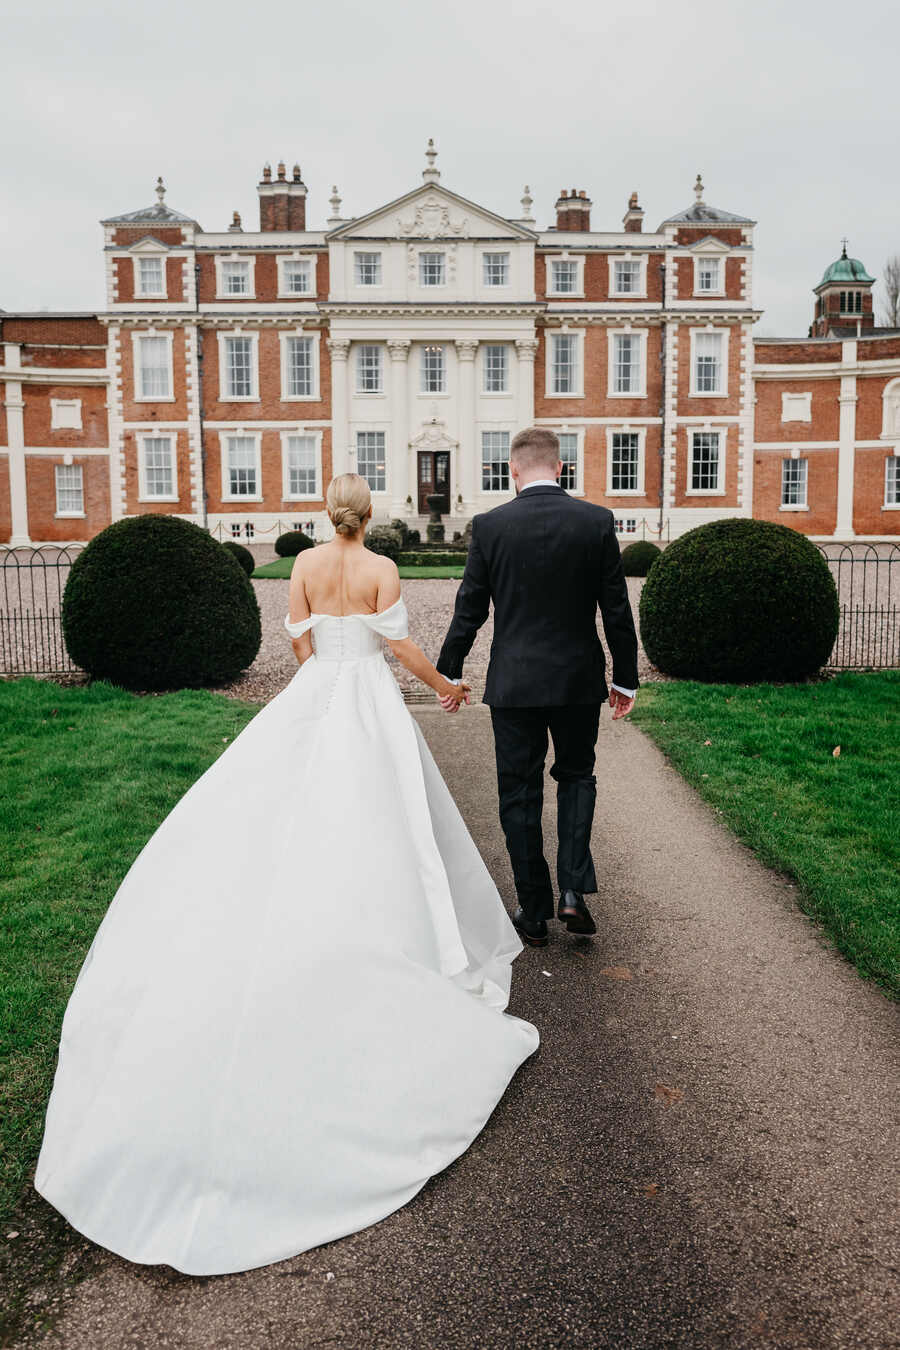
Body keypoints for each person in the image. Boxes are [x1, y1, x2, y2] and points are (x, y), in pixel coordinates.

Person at [33, 472, 539, 1277]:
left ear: (324, 516)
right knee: (384, 815)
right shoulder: (380, 567)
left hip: (316, 692)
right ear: (368, 518)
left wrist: (320, 671)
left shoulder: (301, 565)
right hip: (368, 697)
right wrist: (442, 686)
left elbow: (299, 640)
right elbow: (399, 646)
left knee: (292, 805)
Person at [436, 426, 640, 949]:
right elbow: (615, 609)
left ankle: (532, 910)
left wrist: (451, 671)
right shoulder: (595, 521)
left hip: (515, 684)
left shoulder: (491, 525)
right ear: (560, 467)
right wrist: (625, 677)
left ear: (514, 471)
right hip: (577, 681)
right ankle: (572, 890)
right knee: (576, 778)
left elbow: (471, 607)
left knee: (519, 795)